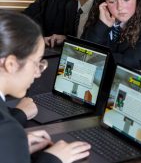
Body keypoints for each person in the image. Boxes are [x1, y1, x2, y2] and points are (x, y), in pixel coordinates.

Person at [0, 10, 91, 163]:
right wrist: (52, 159)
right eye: (36, 63)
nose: (38, 73)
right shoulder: (7, 130)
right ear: (11, 64)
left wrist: (14, 149)